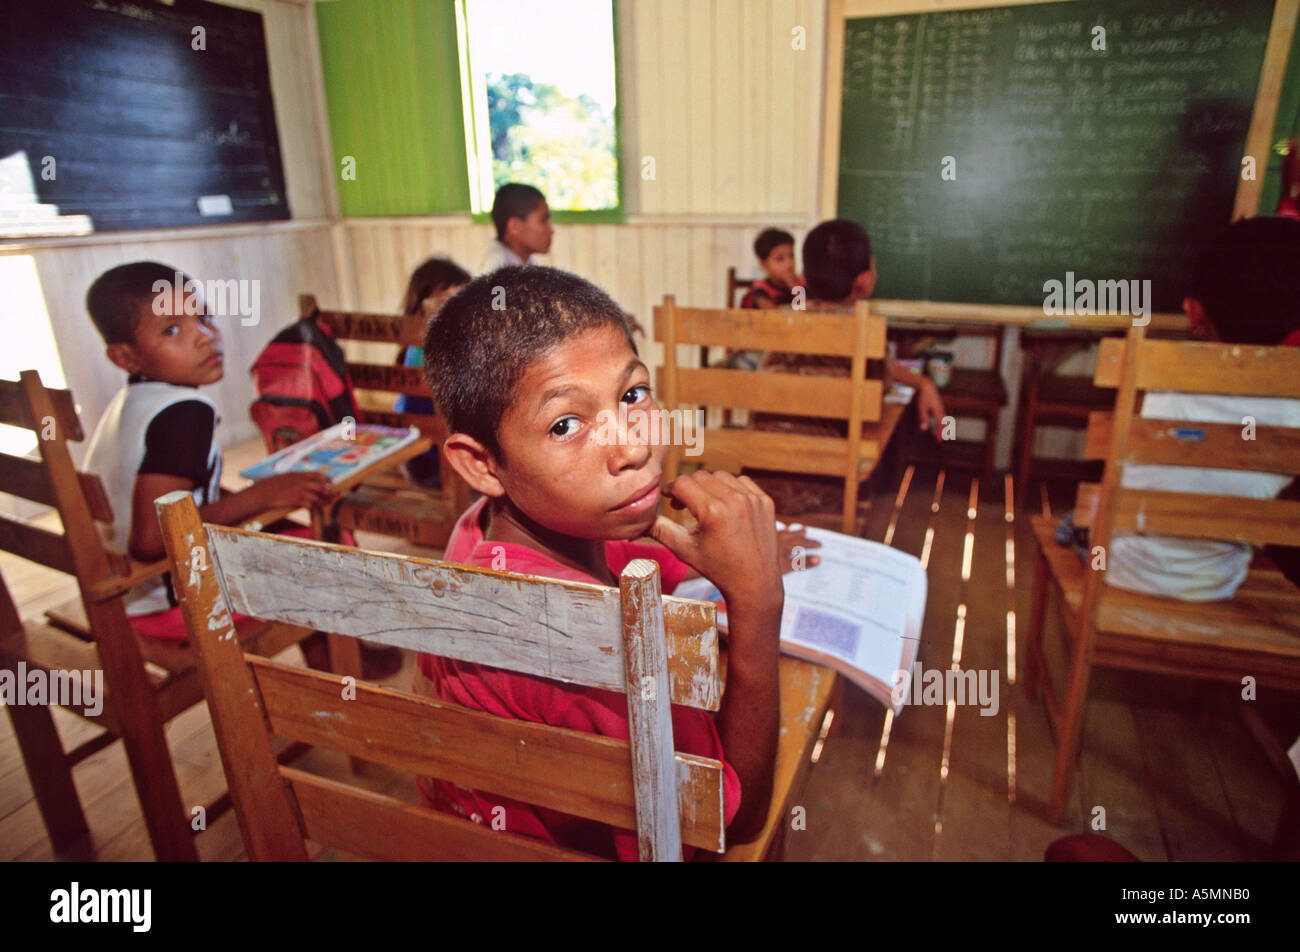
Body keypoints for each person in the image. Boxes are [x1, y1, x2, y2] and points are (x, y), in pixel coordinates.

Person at [415, 265, 815, 860]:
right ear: (481, 463)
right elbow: (728, 826)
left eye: (632, 394)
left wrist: (709, 555)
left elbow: (609, 553)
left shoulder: (478, 528)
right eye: (566, 425)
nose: (633, 445)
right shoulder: (592, 642)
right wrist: (756, 602)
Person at [83, 262, 331, 639]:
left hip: (122, 600)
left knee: (288, 538)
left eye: (204, 317)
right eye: (172, 330)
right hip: (173, 602)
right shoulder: (185, 414)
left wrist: (256, 500)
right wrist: (262, 495)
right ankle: (340, 676)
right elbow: (152, 540)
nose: (204, 336)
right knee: (325, 557)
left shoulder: (130, 403)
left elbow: (177, 501)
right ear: (126, 358)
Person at [1101, 216, 1300, 600]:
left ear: (1195, 313)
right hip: (1215, 584)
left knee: (1079, 521)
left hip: (1119, 569)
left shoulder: (1161, 389)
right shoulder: (1291, 413)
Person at [392, 257, 471, 487]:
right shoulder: (434, 348)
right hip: (436, 465)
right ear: (421, 309)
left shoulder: (413, 347)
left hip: (414, 459)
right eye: (446, 305)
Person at [479, 183, 553, 274]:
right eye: (543, 220)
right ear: (515, 226)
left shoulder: (526, 262)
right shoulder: (495, 270)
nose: (551, 230)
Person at [741, 227, 804, 309]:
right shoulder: (761, 288)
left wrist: (795, 286)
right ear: (764, 265)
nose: (789, 263)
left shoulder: (802, 283)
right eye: (780, 259)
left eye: (791, 255)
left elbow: (811, 311)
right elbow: (770, 312)